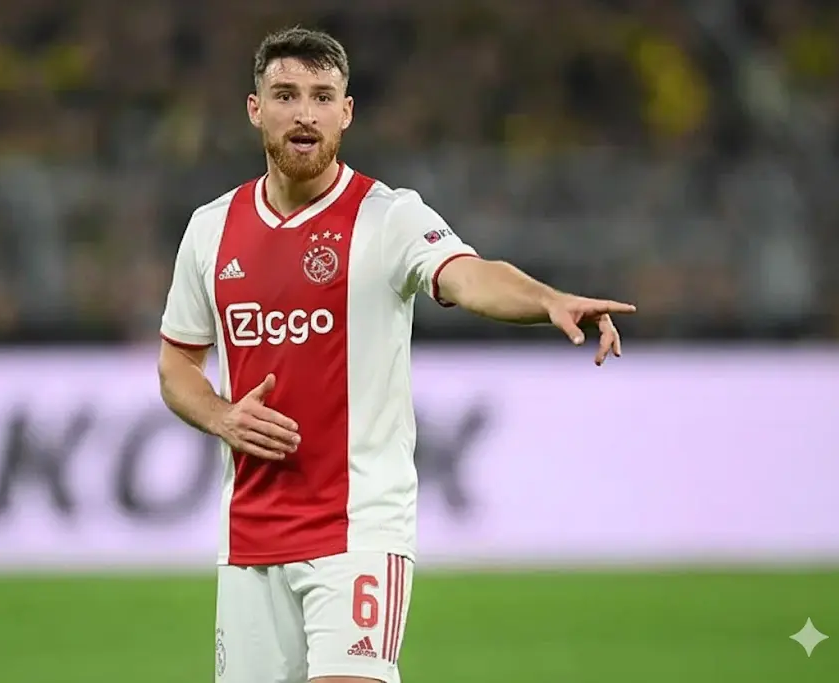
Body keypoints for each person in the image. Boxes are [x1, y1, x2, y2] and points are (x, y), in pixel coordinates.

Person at [157, 27, 636, 683]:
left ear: (346, 112)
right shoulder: (211, 228)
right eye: (286, 95)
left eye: (323, 96)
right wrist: (221, 416)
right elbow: (177, 363)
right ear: (255, 108)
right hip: (249, 538)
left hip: (358, 530)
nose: (305, 113)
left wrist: (546, 299)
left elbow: (469, 276)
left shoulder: (388, 217)